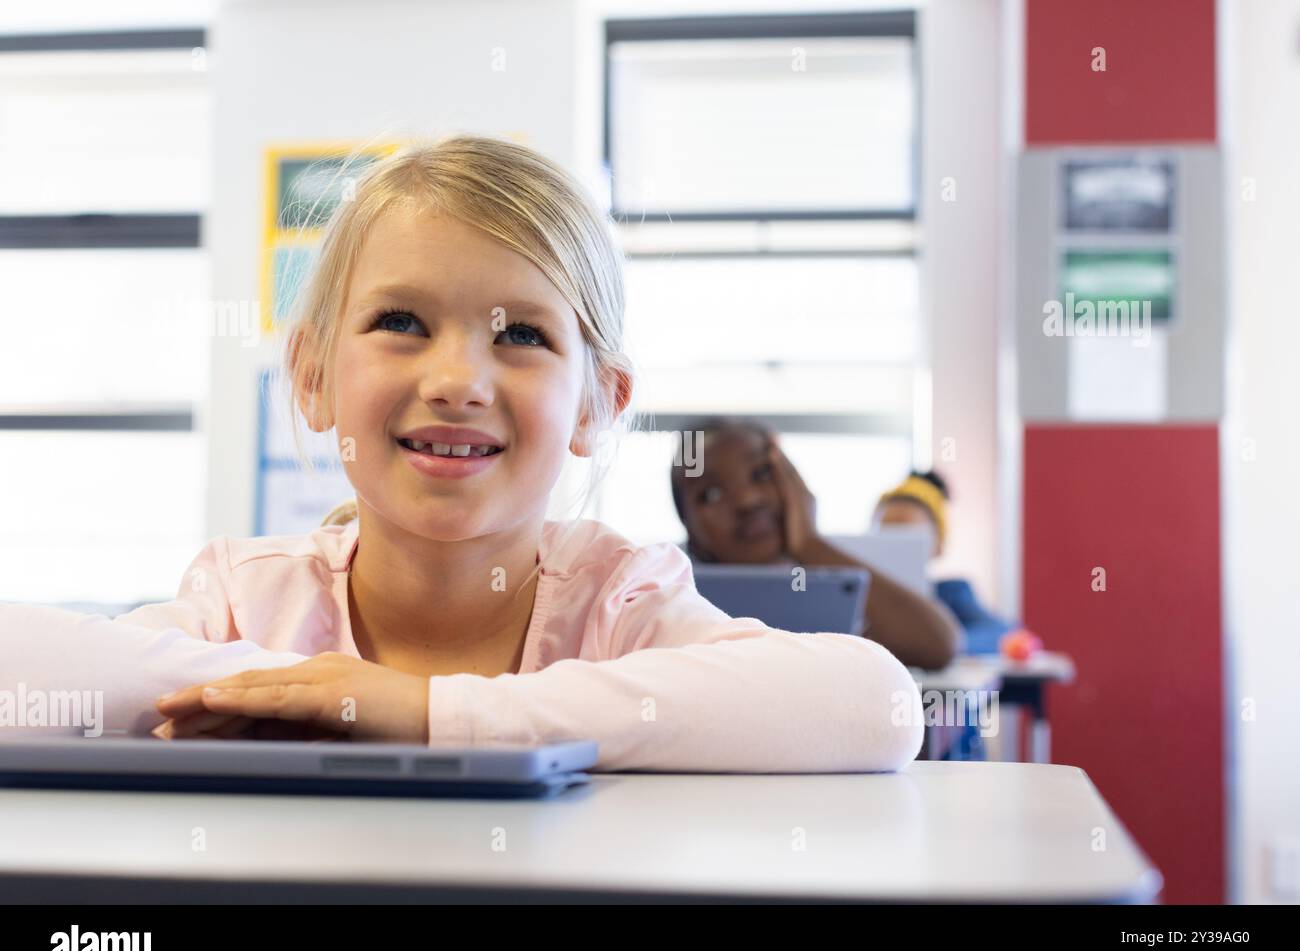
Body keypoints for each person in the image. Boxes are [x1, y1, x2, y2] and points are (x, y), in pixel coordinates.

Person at [0, 135, 922, 774]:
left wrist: (427, 713)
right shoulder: (250, 598)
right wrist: (314, 696)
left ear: (600, 403)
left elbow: (873, 703)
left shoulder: (620, 598)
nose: (458, 380)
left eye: (520, 332)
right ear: (313, 376)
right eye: (401, 321)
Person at [669, 418, 963, 671]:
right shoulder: (674, 604)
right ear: (687, 525)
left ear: (794, 482)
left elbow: (939, 646)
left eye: (761, 474)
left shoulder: (826, 590)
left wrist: (809, 542)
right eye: (710, 494)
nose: (748, 500)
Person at [874, 470, 1018, 655]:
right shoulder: (861, 595)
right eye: (883, 536)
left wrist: (942, 641)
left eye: (907, 539)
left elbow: (1000, 633)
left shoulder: (951, 594)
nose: (893, 548)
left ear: (937, 545)